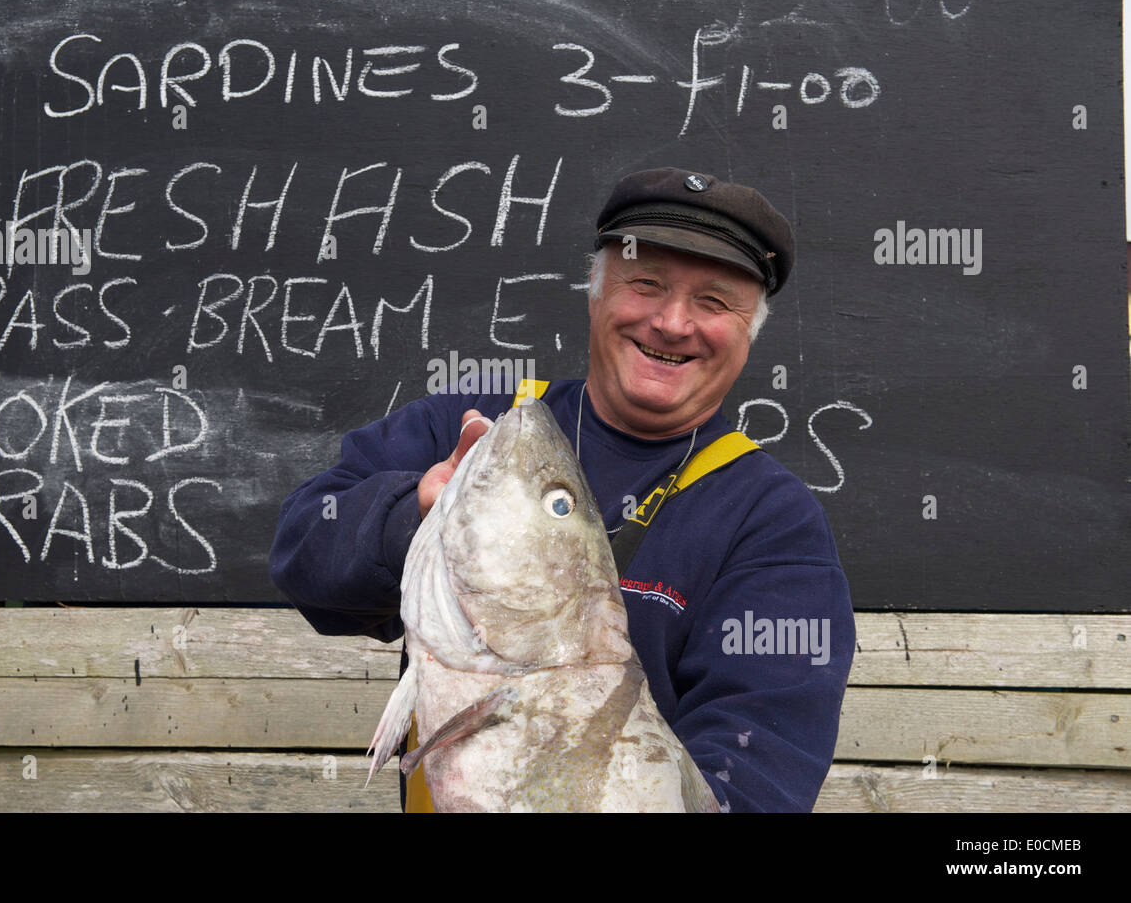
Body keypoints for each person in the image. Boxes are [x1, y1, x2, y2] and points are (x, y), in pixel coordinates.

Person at [269, 167, 855, 812]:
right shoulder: (474, 427)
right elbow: (303, 558)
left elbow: (763, 748)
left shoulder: (773, 519)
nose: (672, 322)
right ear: (596, 296)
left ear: (748, 333)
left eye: (715, 302)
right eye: (645, 283)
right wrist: (414, 515)